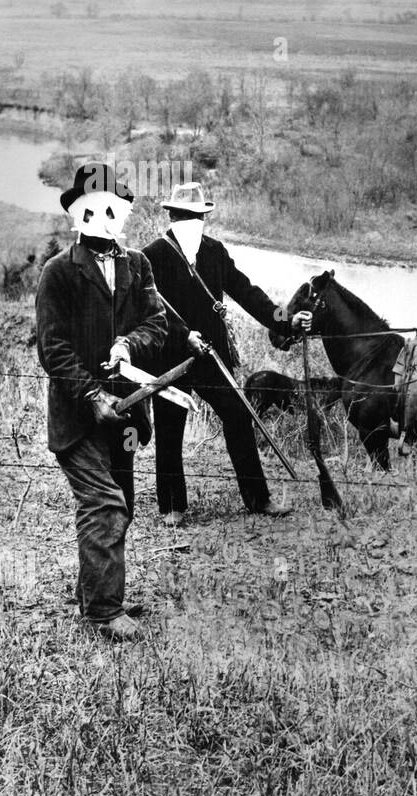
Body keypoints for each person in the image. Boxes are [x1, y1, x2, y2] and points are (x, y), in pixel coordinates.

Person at [36, 160, 167, 641]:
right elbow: (52, 348)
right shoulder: (58, 272)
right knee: (105, 504)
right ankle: (104, 613)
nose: (107, 216)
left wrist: (127, 344)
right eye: (97, 208)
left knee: (122, 506)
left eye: (116, 207)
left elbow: (158, 323)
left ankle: (97, 592)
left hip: (126, 412)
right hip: (78, 415)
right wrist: (90, 394)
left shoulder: (138, 264)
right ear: (80, 214)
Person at [142, 182, 310, 523]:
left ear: (205, 218)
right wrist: (182, 335)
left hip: (211, 358)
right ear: (171, 216)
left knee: (238, 416)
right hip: (171, 358)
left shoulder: (215, 252)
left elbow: (249, 293)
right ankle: (172, 507)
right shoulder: (152, 256)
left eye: (198, 217)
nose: (192, 223)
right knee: (170, 428)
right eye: (184, 216)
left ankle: (257, 499)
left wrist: (286, 321)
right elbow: (148, 310)